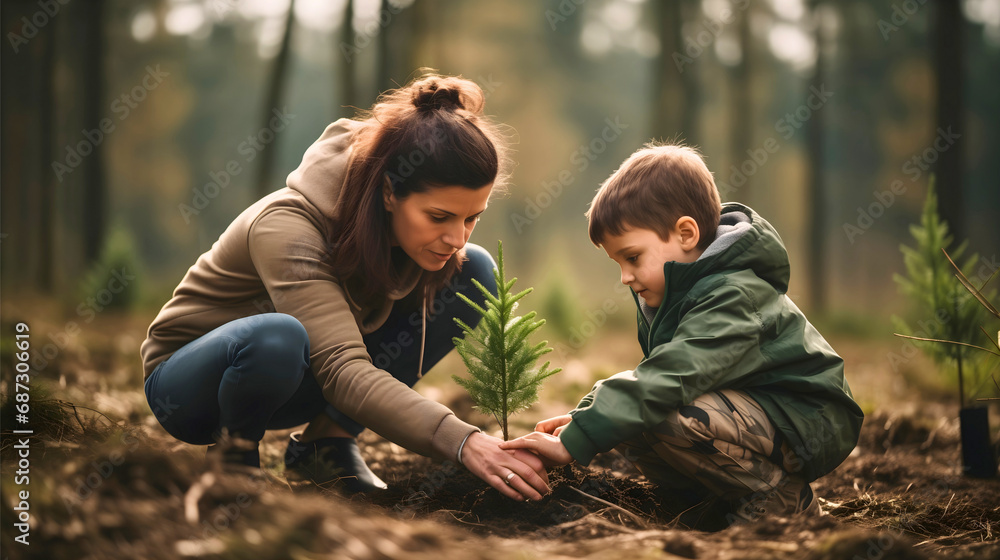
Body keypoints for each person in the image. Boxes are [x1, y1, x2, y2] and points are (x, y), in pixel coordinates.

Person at [141, 74, 549, 501]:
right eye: (439, 216)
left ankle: (327, 445)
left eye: (471, 217)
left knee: (475, 270)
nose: (457, 237)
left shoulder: (406, 231)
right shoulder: (285, 227)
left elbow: (338, 361)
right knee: (277, 336)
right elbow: (340, 368)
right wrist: (464, 442)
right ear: (390, 191)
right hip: (193, 386)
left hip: (298, 377)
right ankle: (234, 462)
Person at [501, 143, 863, 524]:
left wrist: (578, 440)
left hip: (805, 418)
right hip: (757, 411)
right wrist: (584, 417)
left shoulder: (733, 293)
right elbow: (657, 376)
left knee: (664, 414)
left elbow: (671, 376)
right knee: (627, 419)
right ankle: (704, 501)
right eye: (618, 262)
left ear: (686, 234)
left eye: (633, 257)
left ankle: (782, 502)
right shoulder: (674, 293)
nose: (625, 277)